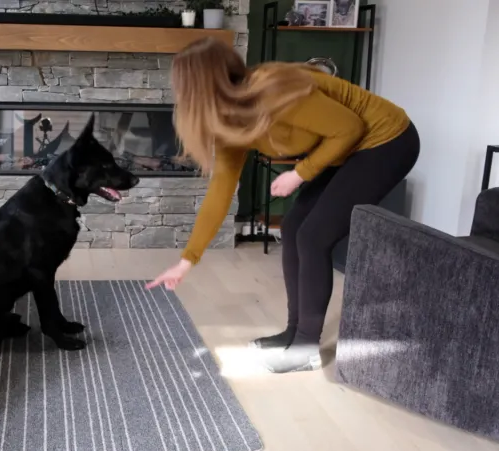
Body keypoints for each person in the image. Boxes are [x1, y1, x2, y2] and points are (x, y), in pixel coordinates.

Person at [145, 38, 420, 374]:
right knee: (293, 229)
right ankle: (294, 332)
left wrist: (299, 174)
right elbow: (221, 188)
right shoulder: (229, 118)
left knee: (314, 236)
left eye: (181, 85)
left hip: (387, 139)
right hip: (345, 150)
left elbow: (350, 127)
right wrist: (187, 260)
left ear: (200, 86)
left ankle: (305, 347)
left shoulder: (272, 91)